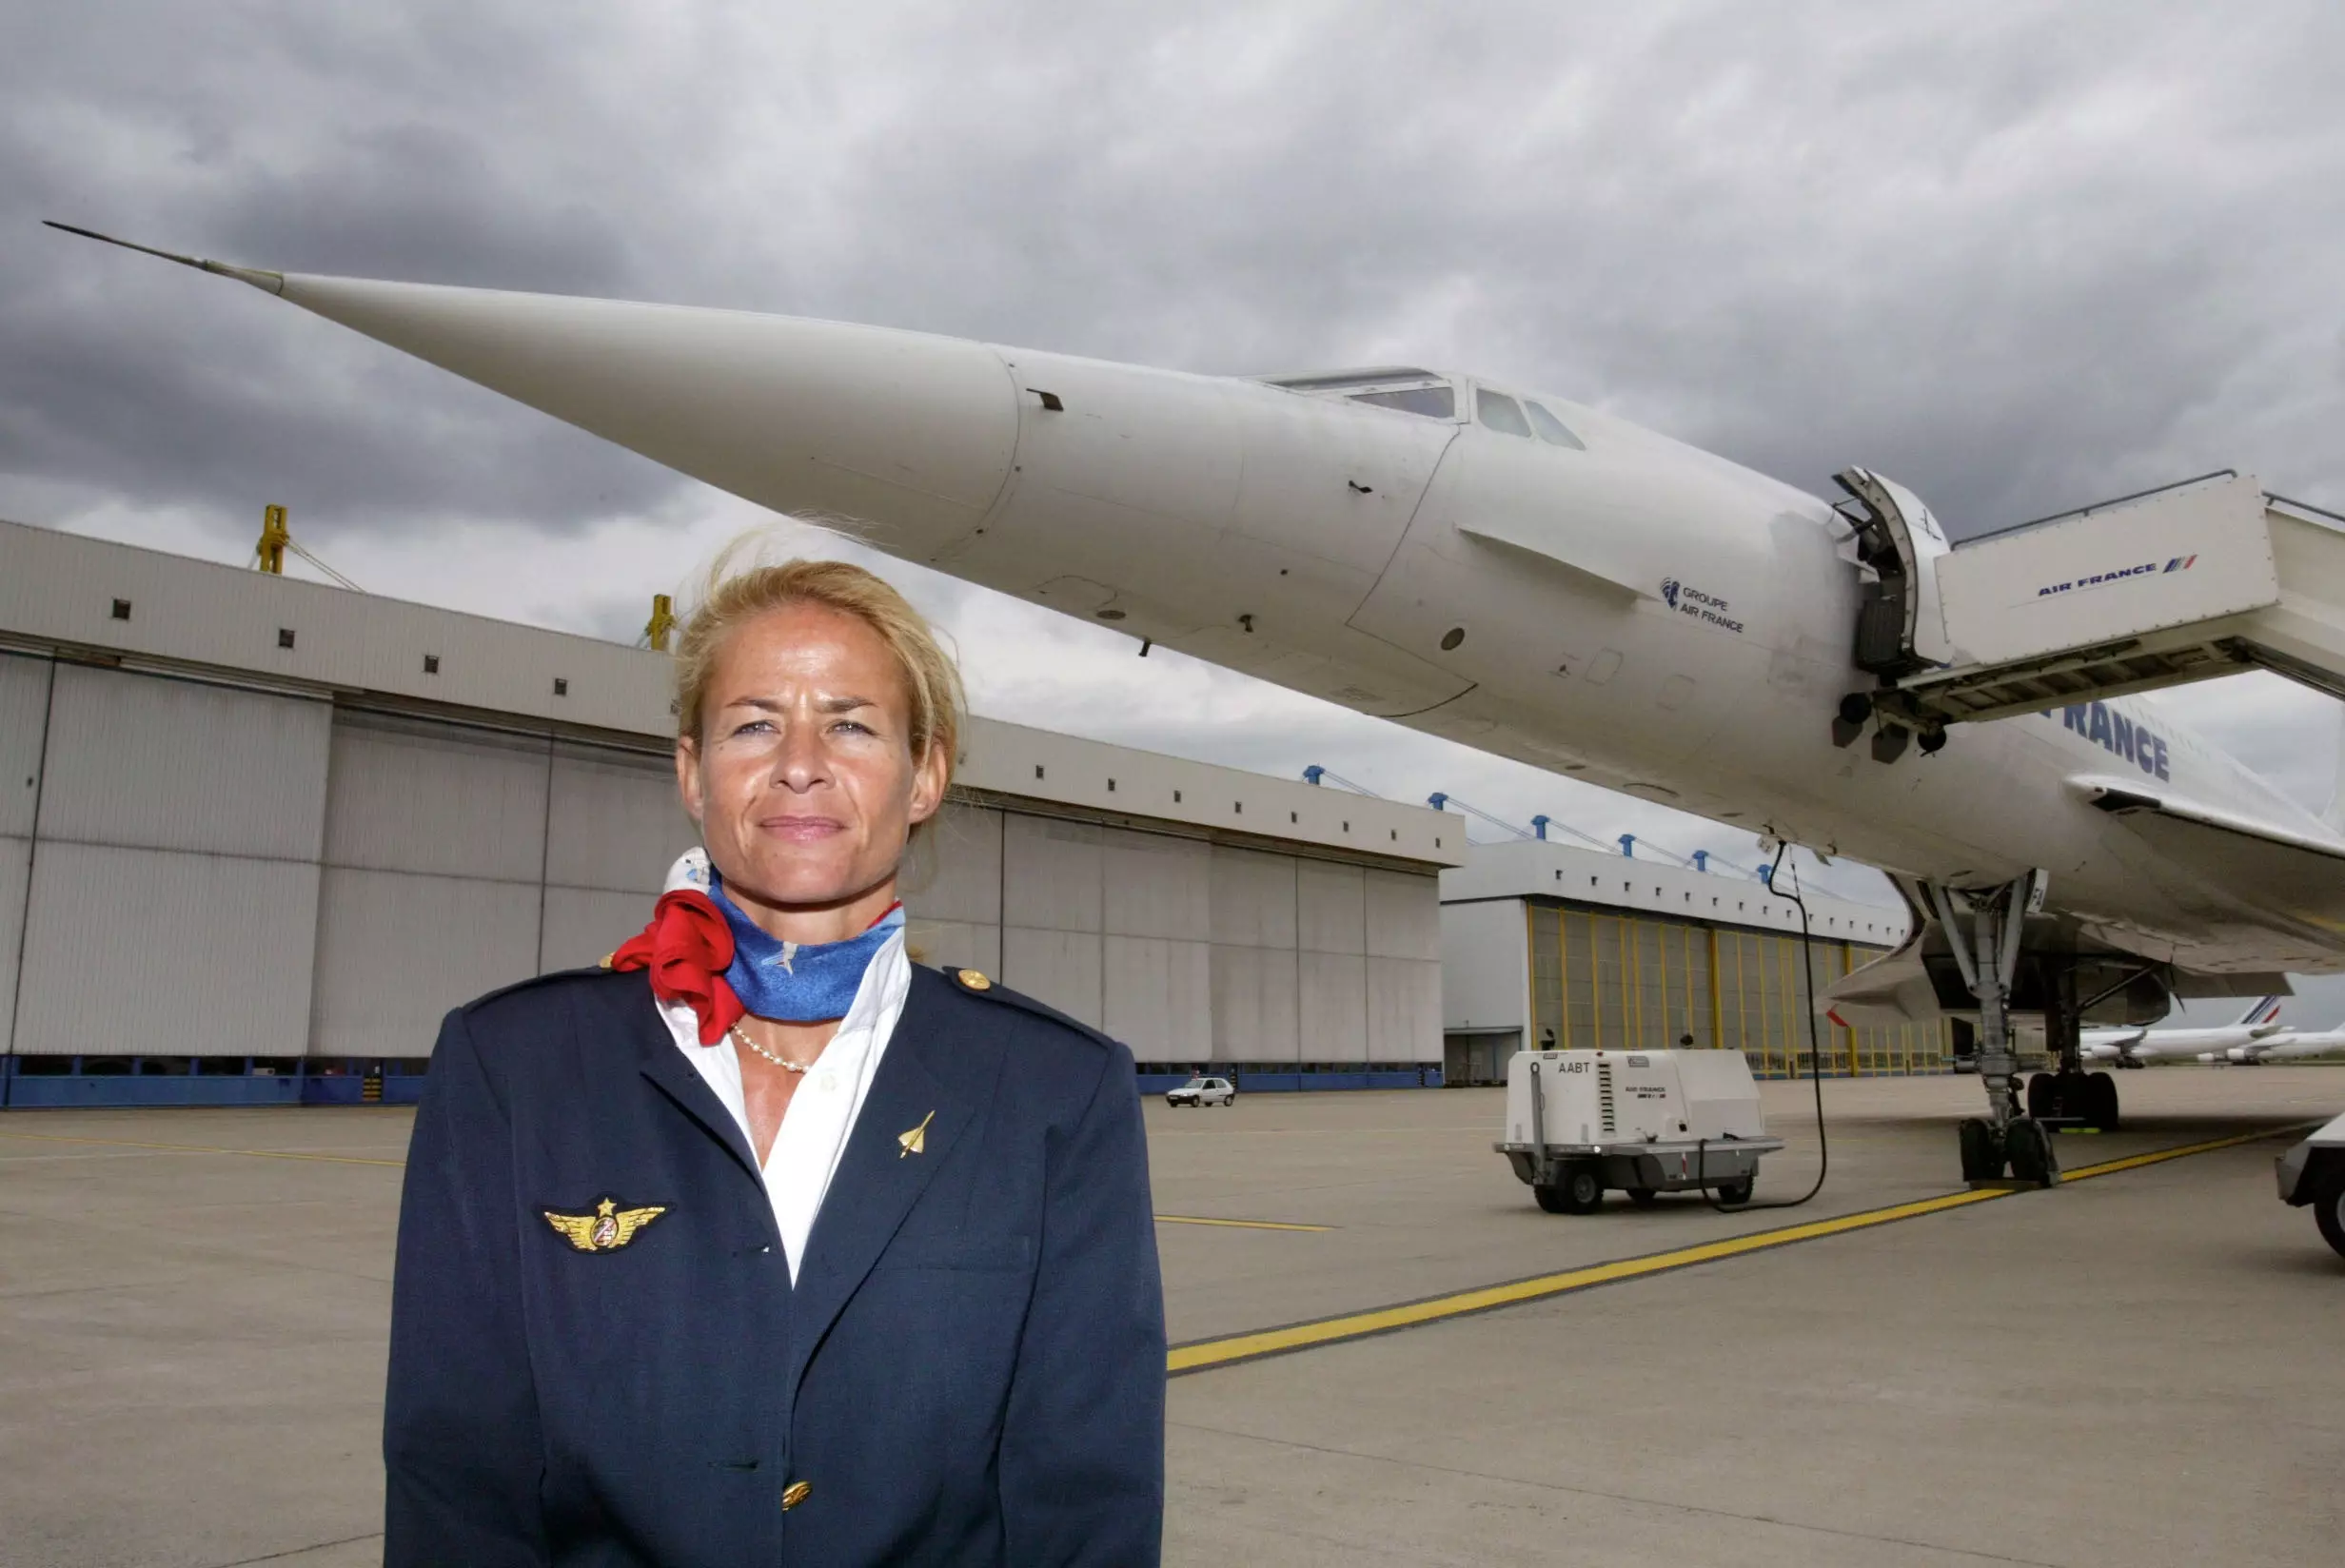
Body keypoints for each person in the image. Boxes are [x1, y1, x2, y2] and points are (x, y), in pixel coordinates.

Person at [383, 555, 1167, 1565]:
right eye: (754, 723)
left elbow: (1085, 1501)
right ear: (690, 770)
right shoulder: (515, 1067)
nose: (800, 761)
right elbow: (457, 1481)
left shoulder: (1057, 1090)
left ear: (925, 773)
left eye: (850, 722)